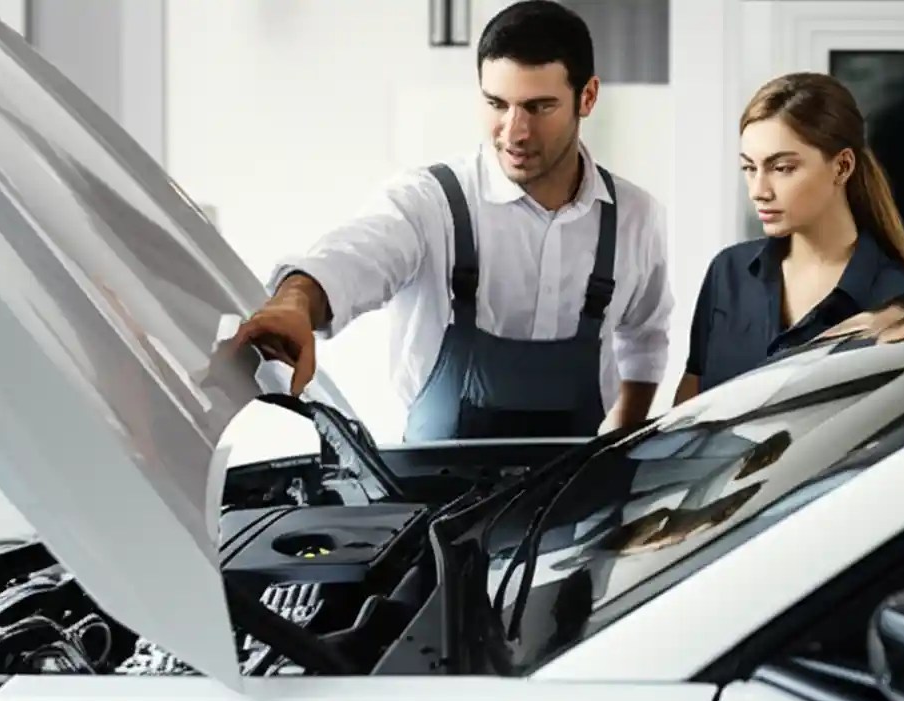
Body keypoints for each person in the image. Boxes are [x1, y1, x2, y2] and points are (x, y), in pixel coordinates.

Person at [230, 0, 673, 441]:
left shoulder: (635, 217)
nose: (514, 131)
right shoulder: (429, 202)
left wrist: (619, 458)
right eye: (497, 103)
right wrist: (295, 303)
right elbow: (351, 257)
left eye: (539, 107)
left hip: (574, 501)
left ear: (588, 97)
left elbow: (645, 340)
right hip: (436, 502)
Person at [674, 72, 904, 404]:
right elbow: (689, 404)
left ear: (842, 167)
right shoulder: (728, 272)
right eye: (749, 168)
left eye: (782, 168)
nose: (758, 191)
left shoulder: (896, 297)